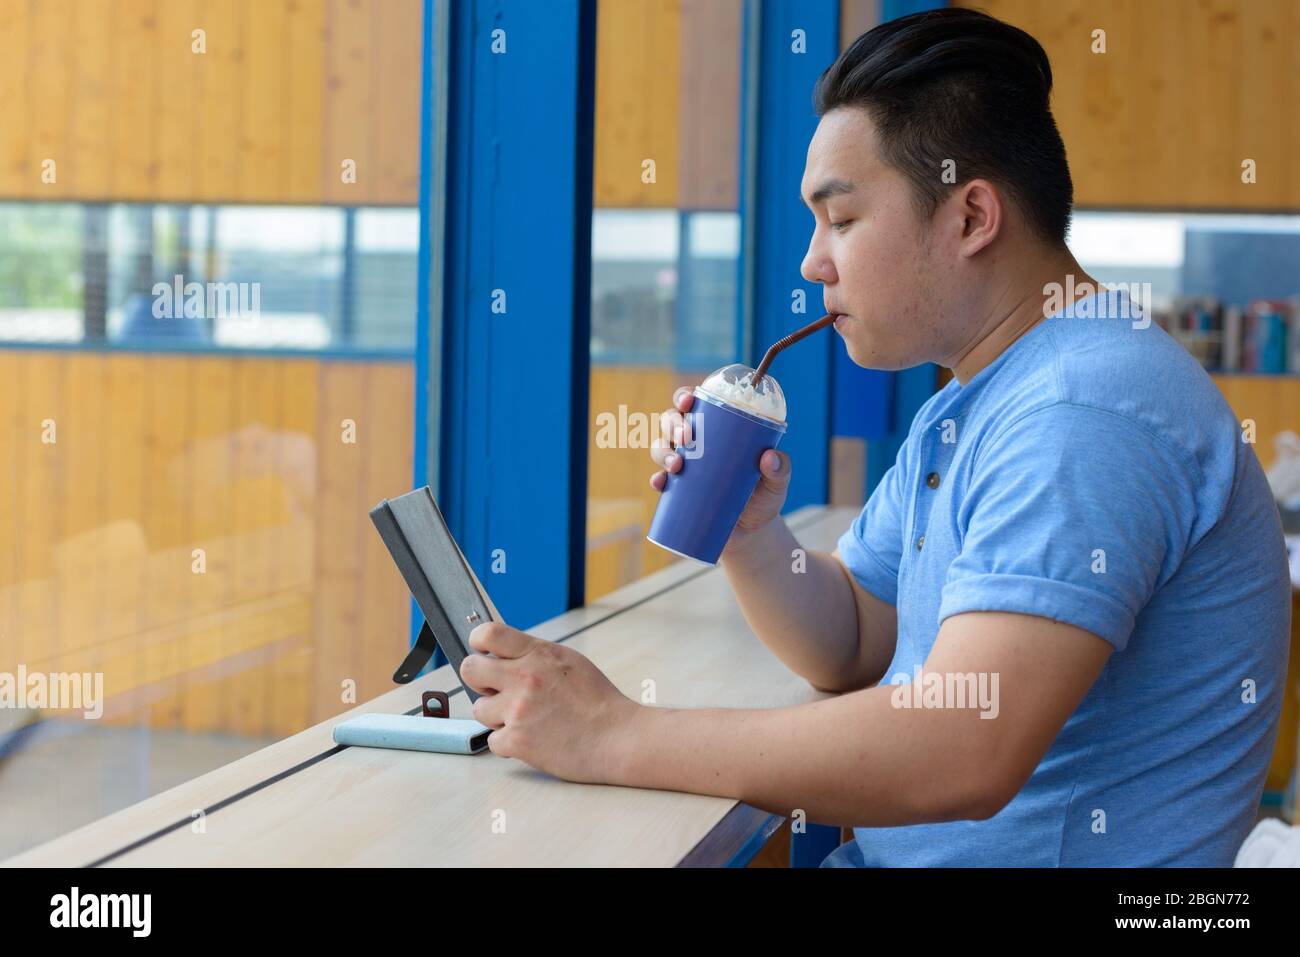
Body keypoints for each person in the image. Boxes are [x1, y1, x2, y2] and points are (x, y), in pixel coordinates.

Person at [460, 7, 1290, 866]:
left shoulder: (1083, 412)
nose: (813, 263)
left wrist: (612, 733)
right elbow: (856, 638)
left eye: (841, 220)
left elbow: (961, 745)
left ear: (970, 217)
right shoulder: (979, 395)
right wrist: (753, 534)